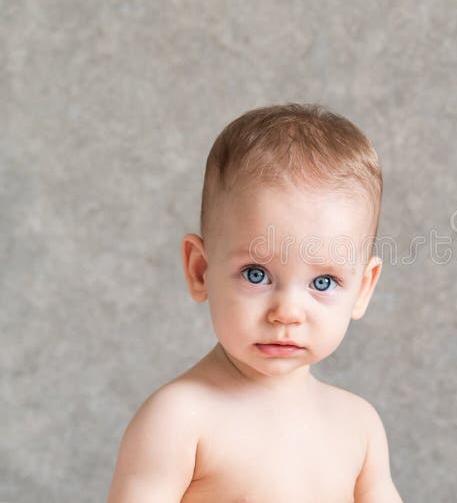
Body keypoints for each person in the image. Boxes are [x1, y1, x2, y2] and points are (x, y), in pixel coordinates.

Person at [107, 104, 402, 502]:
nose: (287, 313)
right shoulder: (179, 420)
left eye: (323, 282)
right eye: (256, 274)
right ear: (200, 270)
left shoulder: (359, 427)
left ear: (362, 289)